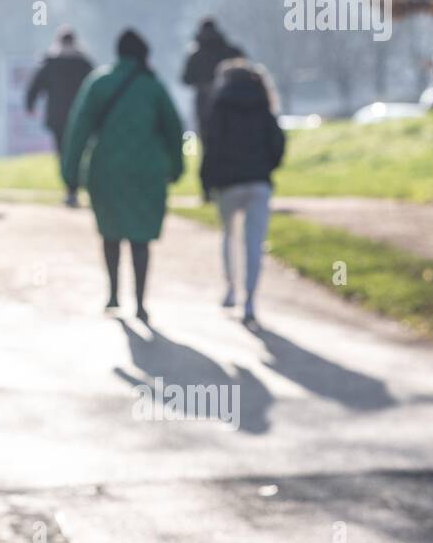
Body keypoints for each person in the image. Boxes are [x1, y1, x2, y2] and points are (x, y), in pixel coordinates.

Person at [62, 29, 184, 323]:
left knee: (111, 232)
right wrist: (176, 168)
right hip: (147, 172)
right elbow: (174, 130)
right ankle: (141, 302)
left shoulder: (99, 83)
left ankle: (114, 294)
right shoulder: (153, 87)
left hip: (106, 170)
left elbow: (77, 130)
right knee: (140, 237)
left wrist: (71, 174)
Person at [199, 59, 286, 326]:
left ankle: (230, 290)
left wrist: (206, 182)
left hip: (228, 183)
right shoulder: (262, 106)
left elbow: (210, 147)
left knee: (229, 236)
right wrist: (266, 168)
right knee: (254, 243)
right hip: (258, 181)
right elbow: (278, 143)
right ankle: (249, 300)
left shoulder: (218, 107)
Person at [25, 25, 94, 205]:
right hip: (80, 117)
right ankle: (75, 185)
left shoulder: (51, 63)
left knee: (63, 153)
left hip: (57, 117)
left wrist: (30, 104)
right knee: (78, 152)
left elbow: (35, 85)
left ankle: (70, 188)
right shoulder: (84, 63)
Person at [181, 17, 243, 141]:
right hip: (231, 100)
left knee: (207, 138)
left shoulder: (195, 55)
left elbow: (186, 79)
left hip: (204, 102)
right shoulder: (231, 51)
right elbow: (244, 68)